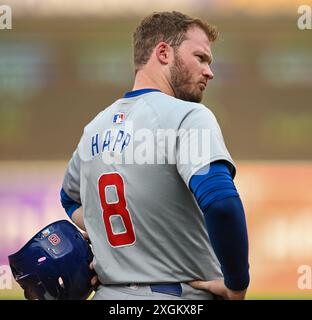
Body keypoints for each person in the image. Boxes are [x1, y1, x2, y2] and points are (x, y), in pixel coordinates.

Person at [60, 11, 250, 300]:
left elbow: (68, 198)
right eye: (201, 57)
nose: (209, 71)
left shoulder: (94, 128)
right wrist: (237, 284)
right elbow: (221, 204)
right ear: (163, 52)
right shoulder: (188, 116)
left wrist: (104, 234)